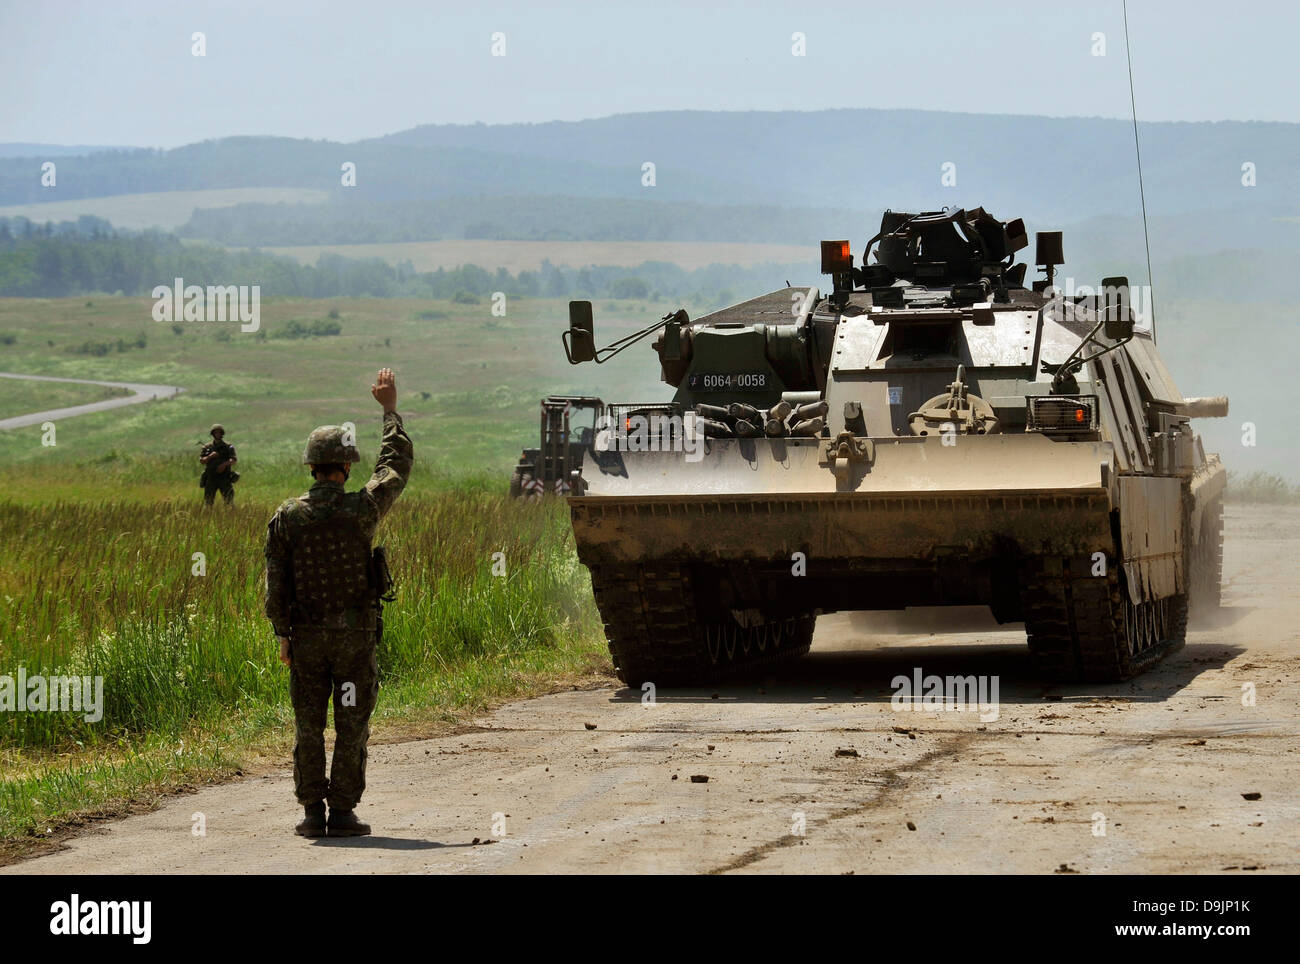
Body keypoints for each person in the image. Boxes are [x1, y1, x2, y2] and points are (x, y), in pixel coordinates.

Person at [263, 369, 413, 838]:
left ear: (312, 466)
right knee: (351, 725)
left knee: (308, 724)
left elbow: (276, 585)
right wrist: (390, 411)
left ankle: (312, 814)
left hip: (306, 640)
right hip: (353, 639)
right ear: (346, 467)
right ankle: (343, 813)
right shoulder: (362, 509)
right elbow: (395, 467)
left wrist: (283, 634)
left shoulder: (288, 517)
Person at [199, 424, 238, 506]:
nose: (217, 434)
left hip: (224, 477)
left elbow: (233, 460)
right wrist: (210, 456)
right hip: (211, 477)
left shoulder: (228, 446)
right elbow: (202, 460)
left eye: (219, 432)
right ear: (213, 434)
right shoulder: (207, 447)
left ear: (222, 434)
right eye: (216, 433)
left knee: (229, 502)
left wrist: (224, 465)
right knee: (208, 503)